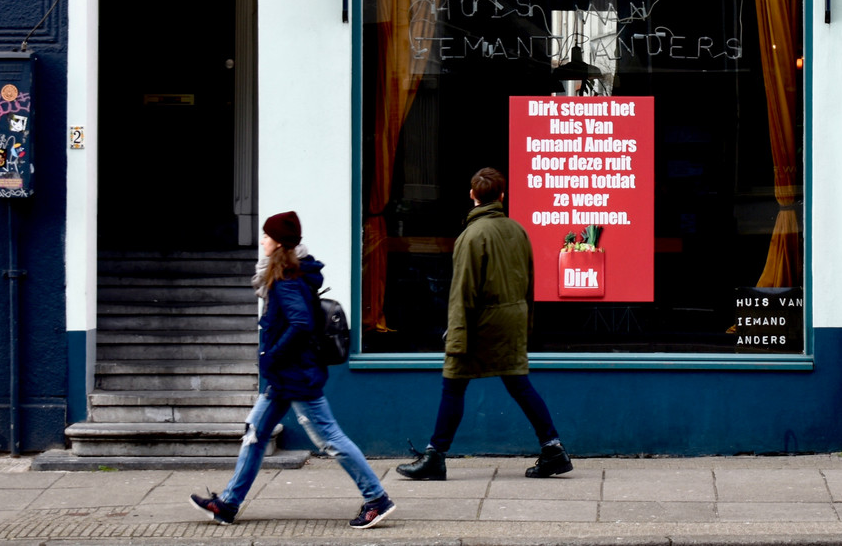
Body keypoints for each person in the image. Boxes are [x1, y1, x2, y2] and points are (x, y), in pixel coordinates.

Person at [191, 211, 397, 529]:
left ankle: (376, 499)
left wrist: (273, 355)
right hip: (285, 376)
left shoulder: (287, 279)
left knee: (330, 438)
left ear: (279, 242)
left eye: (266, 236)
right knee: (255, 435)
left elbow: (301, 323)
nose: (262, 240)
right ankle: (228, 504)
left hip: (295, 375)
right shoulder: (289, 274)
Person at [396, 167, 572, 481]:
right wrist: (526, 324)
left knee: (453, 385)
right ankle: (553, 448)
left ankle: (435, 456)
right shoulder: (517, 231)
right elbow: (529, 283)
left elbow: (462, 293)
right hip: (511, 323)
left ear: (472, 195)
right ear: (502, 196)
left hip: (479, 324)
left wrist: (457, 337)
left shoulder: (471, 236)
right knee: (519, 384)